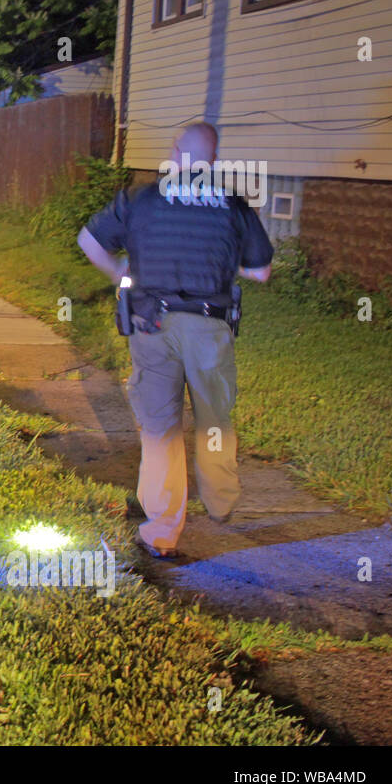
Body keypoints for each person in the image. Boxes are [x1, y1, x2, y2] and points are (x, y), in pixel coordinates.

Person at [77, 122, 273, 558]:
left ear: (175, 151)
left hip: (153, 325)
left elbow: (87, 240)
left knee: (160, 427)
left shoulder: (142, 199)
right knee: (214, 417)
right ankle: (220, 499)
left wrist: (118, 272)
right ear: (213, 160)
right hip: (210, 328)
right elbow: (262, 271)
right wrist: (229, 265)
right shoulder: (232, 204)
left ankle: (162, 531)